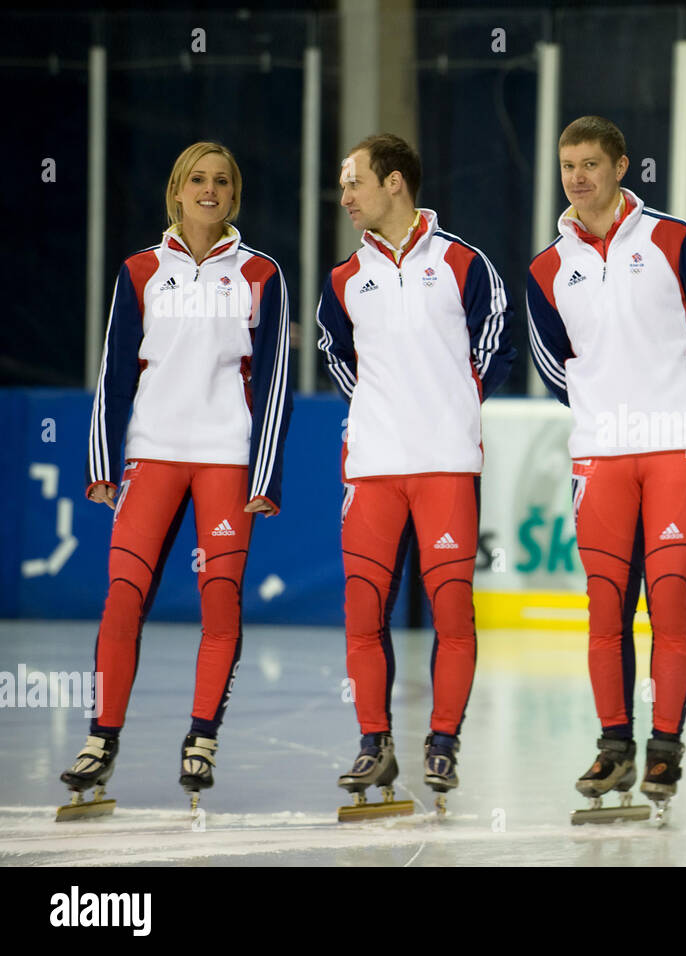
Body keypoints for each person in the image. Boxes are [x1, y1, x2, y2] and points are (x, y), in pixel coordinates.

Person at [61, 141, 292, 812]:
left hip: (225, 458)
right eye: (198, 179)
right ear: (177, 190)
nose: (209, 189)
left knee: (219, 601)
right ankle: (101, 739)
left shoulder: (261, 273)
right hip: (151, 454)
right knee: (123, 596)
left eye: (221, 180)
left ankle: (202, 738)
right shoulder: (140, 271)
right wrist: (103, 462)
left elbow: (274, 380)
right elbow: (114, 373)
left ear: (234, 195)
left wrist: (265, 473)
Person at [527, 116, 686, 818]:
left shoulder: (676, 241)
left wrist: (661, 395)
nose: (578, 177)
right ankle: (615, 744)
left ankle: (666, 748)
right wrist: (608, 410)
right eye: (567, 166)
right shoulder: (546, 269)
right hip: (602, 456)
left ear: (621, 167)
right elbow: (556, 364)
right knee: (605, 607)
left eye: (591, 163)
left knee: (670, 601)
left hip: (677, 445)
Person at [316, 133, 514, 811]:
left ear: (394, 183)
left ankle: (443, 742)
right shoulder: (344, 278)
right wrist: (383, 409)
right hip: (372, 468)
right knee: (362, 613)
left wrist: (449, 409)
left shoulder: (465, 263)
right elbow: (336, 355)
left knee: (452, 611)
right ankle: (374, 745)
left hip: (447, 467)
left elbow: (495, 347)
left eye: (355, 183)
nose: (345, 196)